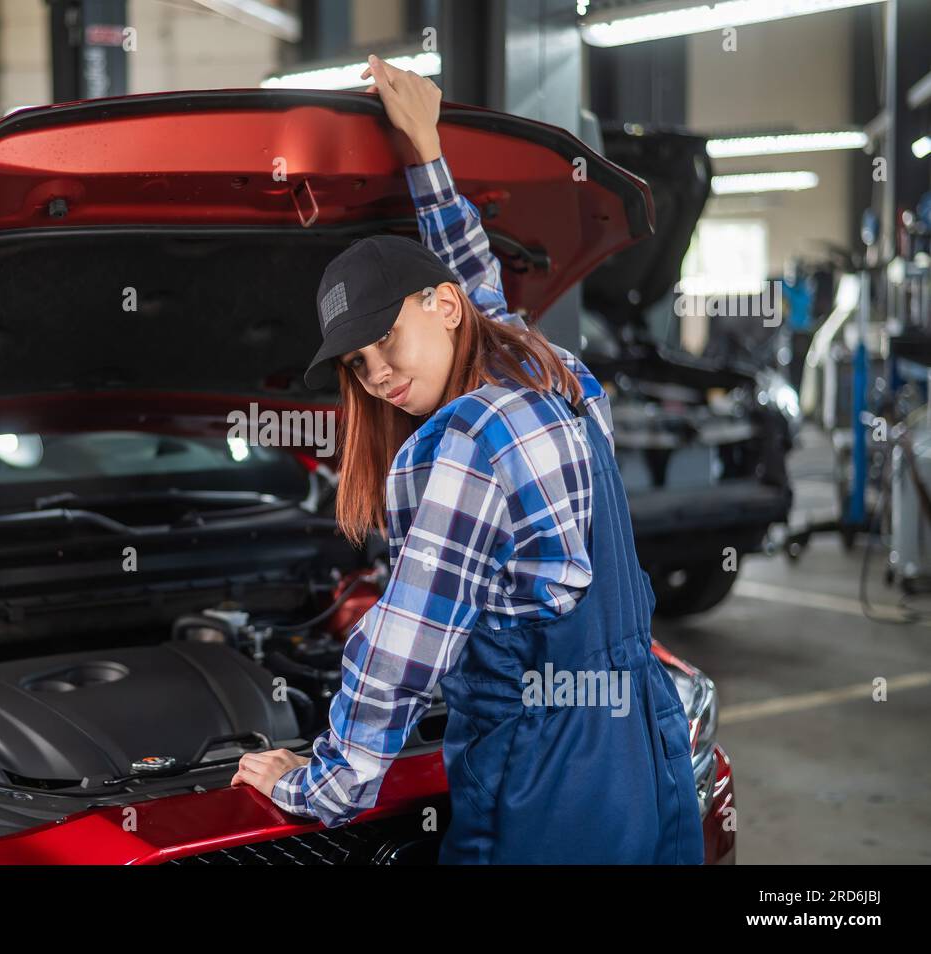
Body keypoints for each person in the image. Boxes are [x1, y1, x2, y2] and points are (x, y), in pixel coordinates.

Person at [231, 55, 705, 864]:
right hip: (646, 738)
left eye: (385, 340)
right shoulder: (547, 372)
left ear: (439, 307)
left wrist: (314, 783)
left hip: (545, 783)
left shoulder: (464, 444)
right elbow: (478, 290)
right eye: (356, 364)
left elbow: (400, 653)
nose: (376, 373)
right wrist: (425, 152)